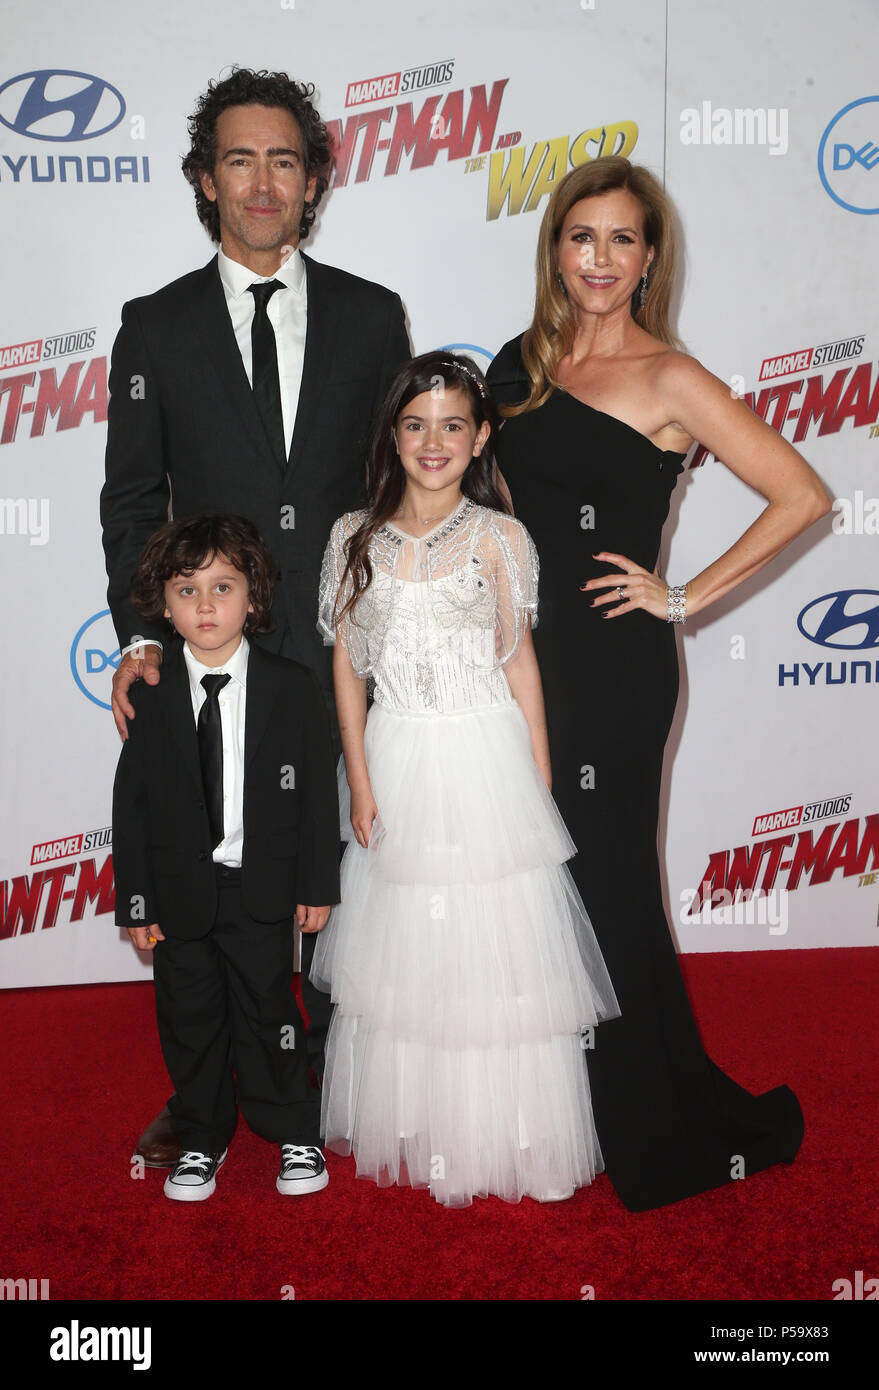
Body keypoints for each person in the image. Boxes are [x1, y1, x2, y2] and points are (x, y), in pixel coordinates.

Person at [485, 156, 831, 1211]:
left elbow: (803, 494)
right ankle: (567, 1104)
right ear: (554, 246)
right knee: (539, 884)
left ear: (649, 256)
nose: (599, 258)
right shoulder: (517, 367)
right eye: (580, 235)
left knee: (610, 883)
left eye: (622, 239)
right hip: (522, 657)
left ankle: (662, 1123)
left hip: (615, 664)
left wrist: (684, 597)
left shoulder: (670, 377)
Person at [100, 67, 410, 1165]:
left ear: (315, 178)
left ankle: (317, 1087)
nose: (264, 181)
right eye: (240, 158)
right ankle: (207, 1096)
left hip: (339, 648)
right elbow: (136, 499)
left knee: (333, 877)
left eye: (285, 158)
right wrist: (144, 636)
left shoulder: (376, 318)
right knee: (212, 887)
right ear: (204, 178)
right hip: (209, 647)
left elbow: (398, 481)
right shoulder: (154, 327)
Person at [310, 351, 620, 1208]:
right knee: (404, 952)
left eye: (453, 424)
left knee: (499, 950)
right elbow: (347, 670)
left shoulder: (499, 537)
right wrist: (361, 781)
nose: (433, 441)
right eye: (415, 424)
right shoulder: (351, 538)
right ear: (393, 436)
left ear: (481, 436)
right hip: (396, 754)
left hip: (484, 758)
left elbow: (519, 662)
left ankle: (507, 1134)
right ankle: (421, 1124)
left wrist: (538, 777)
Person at [112, 515, 341, 1201]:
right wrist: (136, 902)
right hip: (181, 894)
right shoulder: (148, 695)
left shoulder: (292, 686)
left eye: (223, 587)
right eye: (187, 590)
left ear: (253, 596)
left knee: (270, 1012)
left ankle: (291, 1130)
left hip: (261, 889)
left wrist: (317, 883)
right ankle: (201, 1136)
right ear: (162, 602)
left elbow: (314, 802)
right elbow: (133, 806)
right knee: (188, 1017)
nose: (206, 606)